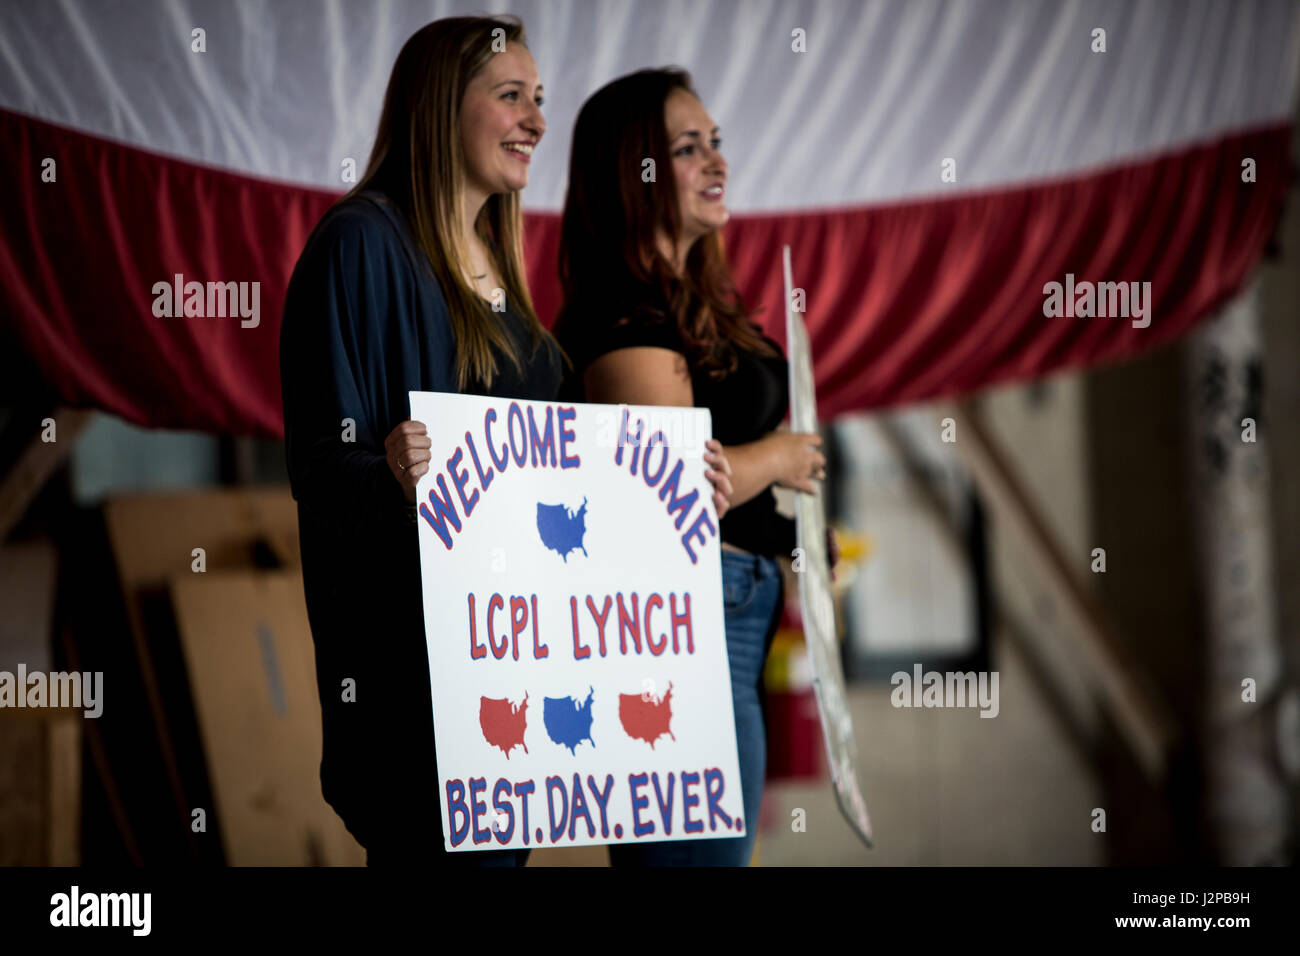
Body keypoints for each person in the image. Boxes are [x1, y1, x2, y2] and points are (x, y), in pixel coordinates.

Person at [280, 20, 732, 866]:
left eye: (541, 100)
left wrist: (667, 496)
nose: (536, 121)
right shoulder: (361, 245)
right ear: (439, 107)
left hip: (512, 694)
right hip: (422, 700)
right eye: (510, 96)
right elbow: (317, 467)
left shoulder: (500, 267)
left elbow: (567, 476)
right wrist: (386, 471)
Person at [554, 68, 829, 867]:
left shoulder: (690, 301)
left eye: (716, 143)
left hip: (734, 620)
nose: (718, 163)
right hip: (679, 639)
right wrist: (780, 457)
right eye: (686, 148)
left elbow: (715, 476)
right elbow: (670, 494)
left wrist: (789, 530)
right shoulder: (625, 314)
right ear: (632, 173)